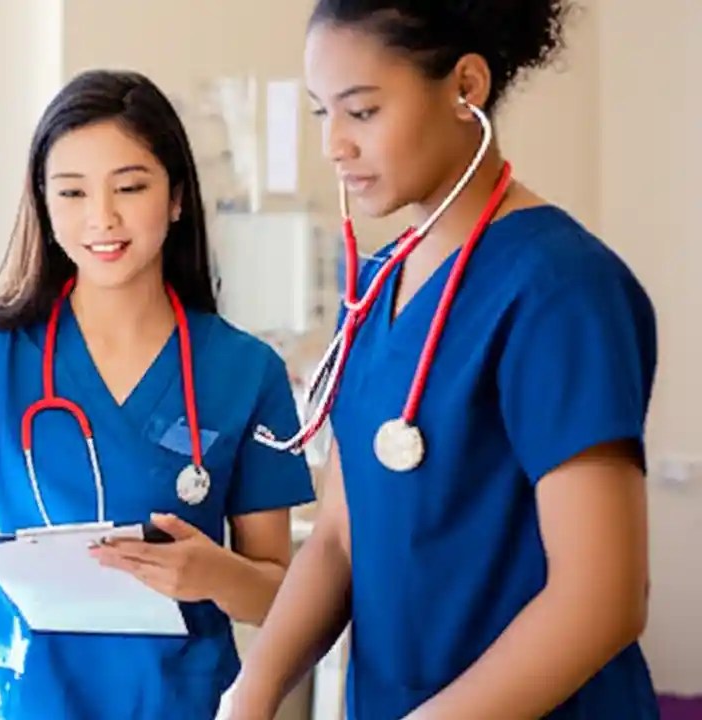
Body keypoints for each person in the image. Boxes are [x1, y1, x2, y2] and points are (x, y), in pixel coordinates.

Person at [225, 2, 659, 719]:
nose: (334, 145)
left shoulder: (559, 288)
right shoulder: (375, 288)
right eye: (319, 113)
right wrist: (253, 690)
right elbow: (339, 537)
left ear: (465, 88)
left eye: (361, 111)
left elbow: (602, 599)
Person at [0, 69, 315, 719]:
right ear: (43, 203)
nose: (102, 218)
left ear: (177, 197)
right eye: (71, 192)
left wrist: (212, 576)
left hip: (175, 703)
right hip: (13, 701)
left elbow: (282, 595)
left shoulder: (246, 371)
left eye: (130, 187)